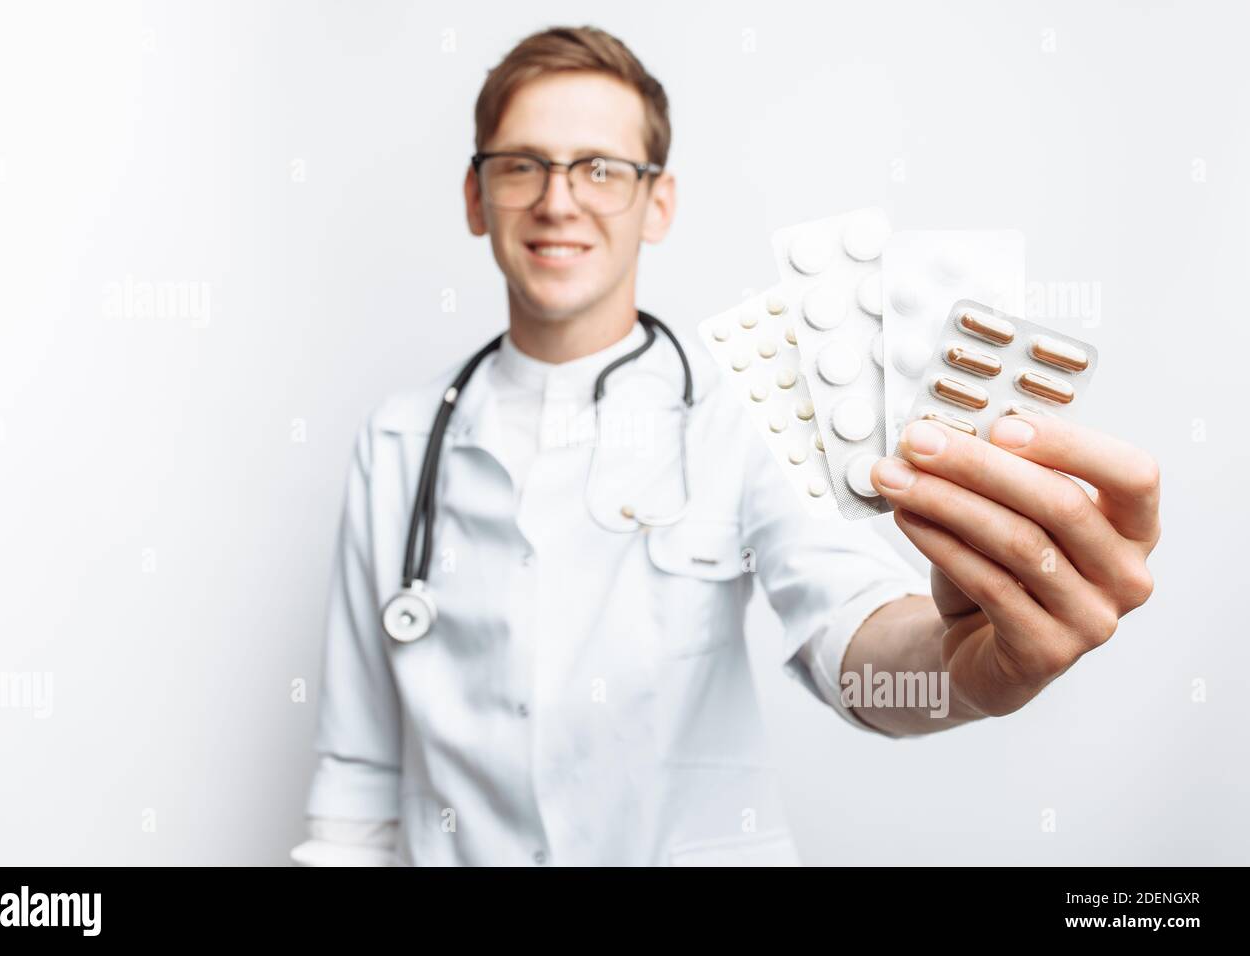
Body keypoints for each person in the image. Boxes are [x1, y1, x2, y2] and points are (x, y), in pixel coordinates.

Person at [290, 25, 1160, 866]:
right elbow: (357, 772)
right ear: (476, 197)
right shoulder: (398, 443)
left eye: (601, 168)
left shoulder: (739, 412)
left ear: (657, 203)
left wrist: (969, 673)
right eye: (522, 165)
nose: (559, 201)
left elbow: (850, 627)